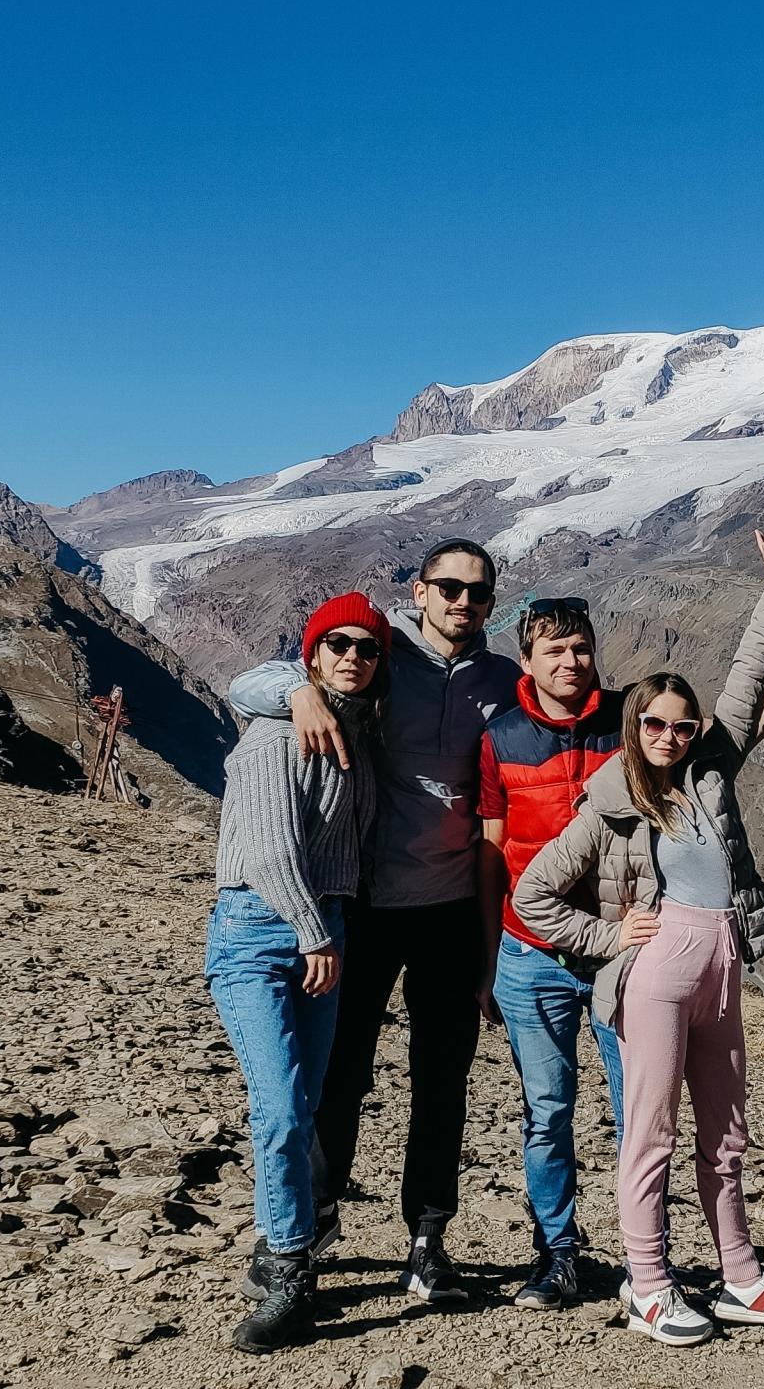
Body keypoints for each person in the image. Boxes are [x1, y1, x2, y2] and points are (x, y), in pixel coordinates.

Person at [484, 546, 764, 1311]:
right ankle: (641, 1282)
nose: (668, 734)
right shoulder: (611, 799)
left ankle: (740, 1277)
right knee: (640, 1130)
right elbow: (531, 890)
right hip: (646, 971)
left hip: (719, 970)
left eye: (680, 724)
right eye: (653, 723)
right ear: (633, 727)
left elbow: (745, 689)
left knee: (725, 1132)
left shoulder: (709, 771)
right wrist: (607, 938)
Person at [224, 539, 519, 1305]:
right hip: (365, 900)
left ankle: (428, 1237)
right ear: (419, 591)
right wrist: (298, 690)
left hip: (451, 905)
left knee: (442, 1079)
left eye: (478, 592)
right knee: (339, 1072)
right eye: (448, 587)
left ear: (491, 603)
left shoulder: (502, 682)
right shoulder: (381, 653)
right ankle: (314, 1217)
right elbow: (248, 683)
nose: (462, 601)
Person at [207, 592, 388, 1353]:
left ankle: (282, 1239)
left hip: (325, 930)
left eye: (367, 648)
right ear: (310, 656)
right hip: (259, 932)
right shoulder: (276, 734)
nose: (352, 657)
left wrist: (331, 929)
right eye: (337, 644)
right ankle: (289, 1269)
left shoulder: (357, 734)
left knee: (304, 1103)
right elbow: (269, 850)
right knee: (280, 1106)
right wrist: (316, 933)